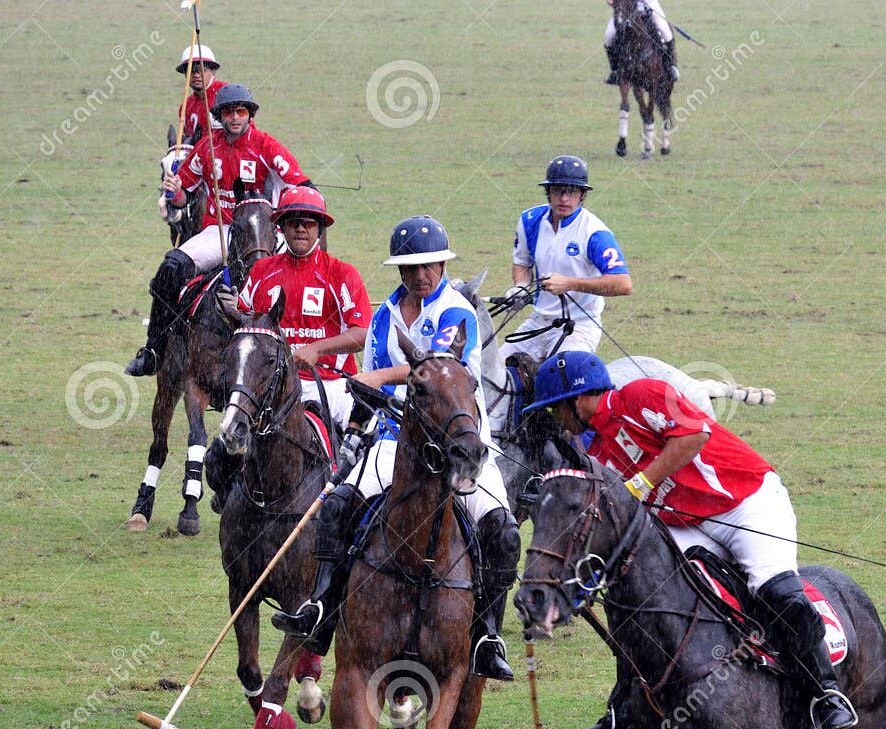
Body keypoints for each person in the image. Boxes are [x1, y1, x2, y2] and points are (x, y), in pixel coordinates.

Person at [523, 351, 859, 729]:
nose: (555, 418)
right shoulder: (596, 452)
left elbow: (695, 434)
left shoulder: (642, 395)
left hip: (746, 501)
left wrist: (641, 483)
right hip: (685, 522)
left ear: (576, 400)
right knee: (639, 595)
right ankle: (626, 712)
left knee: (777, 590)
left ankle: (826, 692)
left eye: (555, 409)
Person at [274, 216, 521, 682]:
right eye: (411, 268)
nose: (421, 275)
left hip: (459, 446)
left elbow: (441, 370)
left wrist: (379, 377)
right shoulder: (384, 316)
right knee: (339, 505)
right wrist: (355, 429)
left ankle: (488, 634)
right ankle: (322, 608)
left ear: (442, 265)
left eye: (428, 266)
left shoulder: (457, 312)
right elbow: (368, 388)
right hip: (396, 441)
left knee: (501, 529)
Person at [126, 83, 309, 378]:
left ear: (250, 115)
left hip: (265, 233)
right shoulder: (208, 147)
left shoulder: (267, 147)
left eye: (240, 111)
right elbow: (183, 193)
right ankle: (154, 351)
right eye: (228, 112)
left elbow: (302, 187)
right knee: (169, 269)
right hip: (220, 231)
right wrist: (173, 192)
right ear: (220, 116)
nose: (234, 117)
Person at [227, 184, 370, 429]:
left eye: (309, 223)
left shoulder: (341, 273)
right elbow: (244, 322)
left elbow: (363, 334)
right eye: (294, 222)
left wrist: (316, 349)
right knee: (224, 449)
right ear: (281, 227)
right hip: (271, 385)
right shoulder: (262, 271)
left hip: (331, 384)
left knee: (366, 445)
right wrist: (229, 310)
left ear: (320, 228)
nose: (301, 229)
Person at [507, 156, 632, 359]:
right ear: (548, 192)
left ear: (582, 194)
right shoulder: (529, 220)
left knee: (561, 377)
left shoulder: (595, 232)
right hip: (539, 320)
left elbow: (623, 284)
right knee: (494, 373)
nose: (564, 199)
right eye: (558, 190)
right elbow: (522, 261)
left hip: (580, 325)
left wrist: (570, 284)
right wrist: (520, 287)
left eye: (572, 191)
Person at [605, 0, 678, 84]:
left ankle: (670, 67)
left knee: (665, 31)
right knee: (609, 36)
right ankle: (615, 71)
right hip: (624, 7)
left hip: (648, 4)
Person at [176, 45, 223, 143]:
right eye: (191, 71)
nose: (196, 75)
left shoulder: (228, 95)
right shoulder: (186, 106)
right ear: (185, 74)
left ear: (212, 71)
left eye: (202, 69)